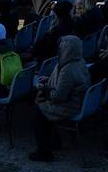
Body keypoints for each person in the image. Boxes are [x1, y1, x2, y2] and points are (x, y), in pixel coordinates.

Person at [28, 34, 90, 162]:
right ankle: (54, 142)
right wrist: (49, 80)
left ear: (66, 49)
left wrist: (44, 89)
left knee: (37, 112)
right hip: (77, 102)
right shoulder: (80, 62)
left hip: (68, 106)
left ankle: (44, 151)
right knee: (40, 106)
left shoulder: (68, 69)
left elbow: (57, 97)